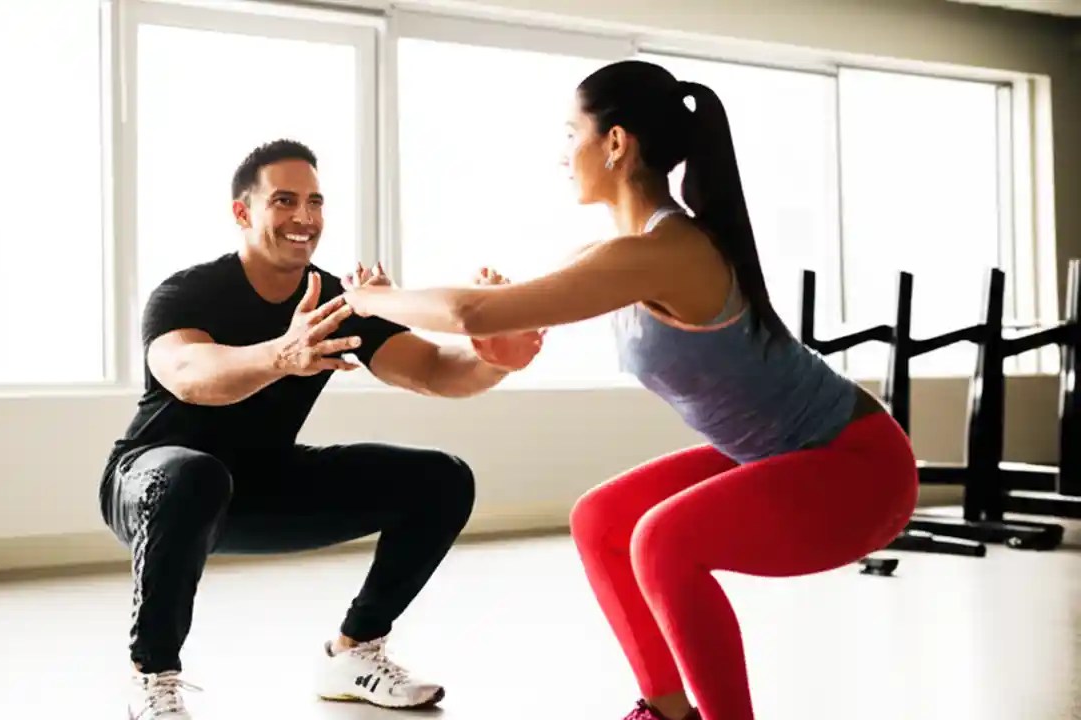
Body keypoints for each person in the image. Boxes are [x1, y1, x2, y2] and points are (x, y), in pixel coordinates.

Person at [341, 60, 919, 720]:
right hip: (780, 456)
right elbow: (491, 322)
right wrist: (506, 344)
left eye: (569, 133)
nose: (562, 154)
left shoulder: (667, 251)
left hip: (857, 468)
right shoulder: (617, 254)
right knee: (602, 520)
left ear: (615, 142)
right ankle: (668, 711)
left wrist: (365, 297)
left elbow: (472, 310)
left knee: (663, 540)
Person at [99, 139, 544, 720]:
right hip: (152, 483)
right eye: (284, 200)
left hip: (258, 484)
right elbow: (189, 375)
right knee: (194, 473)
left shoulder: (338, 298)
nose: (304, 218)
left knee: (442, 479)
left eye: (315, 201)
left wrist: (496, 357)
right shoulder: (189, 291)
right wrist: (280, 354)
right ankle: (151, 676)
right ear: (243, 212)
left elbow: (433, 371)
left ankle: (353, 652)